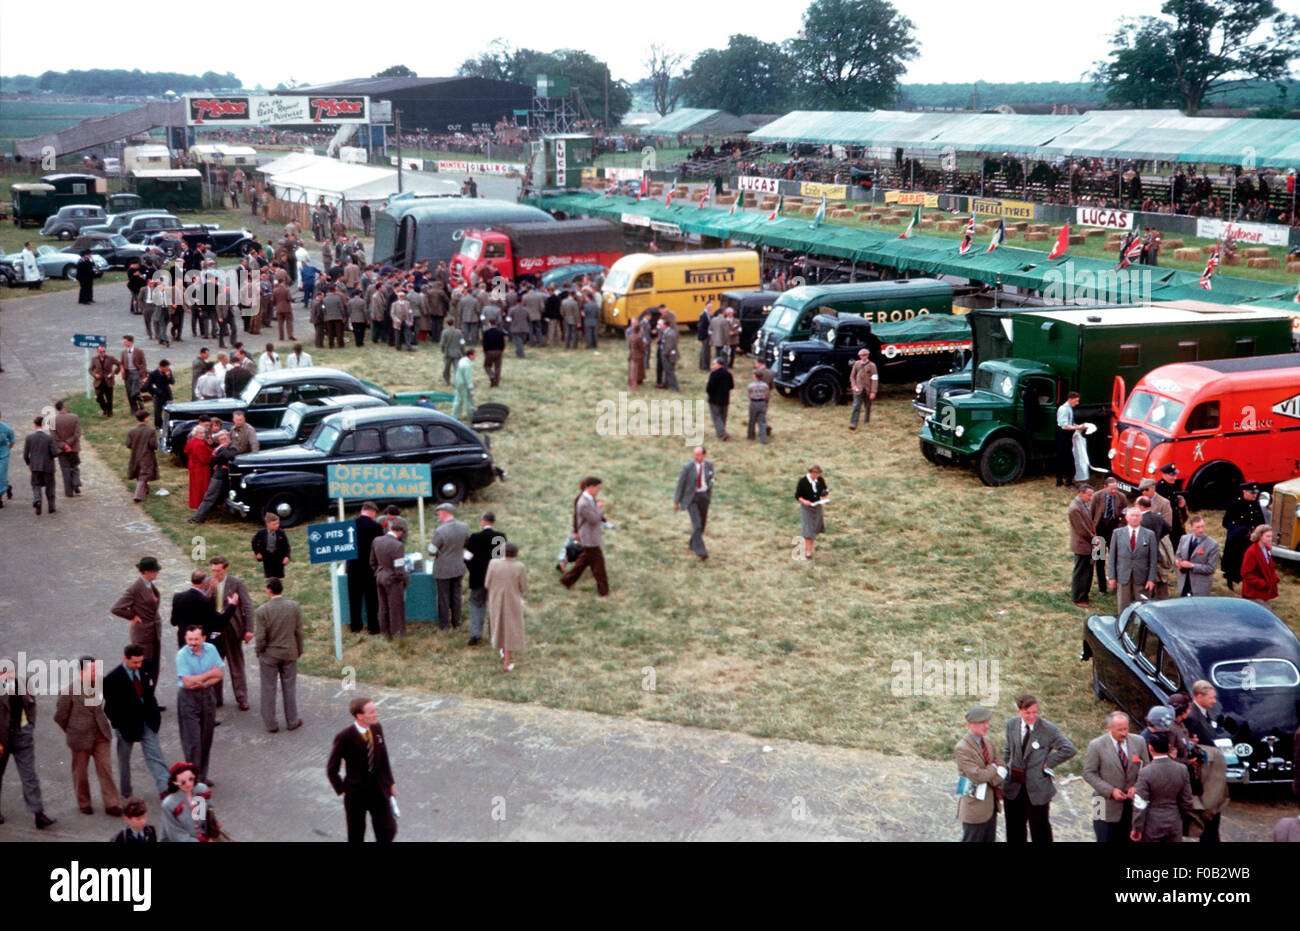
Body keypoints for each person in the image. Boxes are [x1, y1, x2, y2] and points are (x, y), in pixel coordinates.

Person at [1000, 694, 1077, 843]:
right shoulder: (1011, 724)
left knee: (1040, 830)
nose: (1032, 716)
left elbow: (1069, 749)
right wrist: (1005, 770)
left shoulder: (1047, 729)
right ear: (1019, 711)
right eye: (1027, 713)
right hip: (1014, 787)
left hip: (1037, 788)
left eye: (1035, 712)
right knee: (1014, 828)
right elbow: (1008, 749)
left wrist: (1047, 762)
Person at [54, 656, 122, 816]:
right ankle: (84, 803)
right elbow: (60, 716)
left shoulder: (101, 684)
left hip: (101, 734)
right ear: (82, 672)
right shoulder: (69, 691)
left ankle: (112, 803)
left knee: (105, 769)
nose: (95, 672)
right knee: (81, 771)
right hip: (80, 737)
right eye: (92, 670)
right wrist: (73, 730)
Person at [103, 644, 169, 800]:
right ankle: (126, 792)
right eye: (135, 663)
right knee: (124, 760)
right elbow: (110, 709)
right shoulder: (112, 679)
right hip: (126, 726)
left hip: (147, 720)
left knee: (155, 755)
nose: (139, 665)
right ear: (125, 659)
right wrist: (118, 725)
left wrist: (155, 717)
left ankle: (164, 788)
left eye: (140, 661)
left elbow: (149, 693)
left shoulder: (145, 666)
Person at [327, 697, 397, 843]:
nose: (376, 714)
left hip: (378, 790)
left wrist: (390, 782)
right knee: (356, 834)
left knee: (388, 830)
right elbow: (332, 768)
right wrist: (342, 789)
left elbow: (383, 757)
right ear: (359, 716)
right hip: (356, 794)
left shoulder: (377, 728)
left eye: (375, 710)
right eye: (371, 712)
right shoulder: (344, 737)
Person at [0, 659, 56, 828]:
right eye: (8, 673)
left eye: (14, 672)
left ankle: (39, 814)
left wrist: (30, 725)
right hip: (1, 738)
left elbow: (31, 704)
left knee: (29, 775)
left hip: (22, 734)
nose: (12, 676)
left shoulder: (22, 683)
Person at [1082, 711, 1150, 842]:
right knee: (1102, 838)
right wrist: (1110, 791)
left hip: (1130, 804)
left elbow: (1147, 768)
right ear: (1109, 728)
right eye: (1120, 730)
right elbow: (1088, 773)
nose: (1124, 733)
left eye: (1126, 728)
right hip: (1100, 803)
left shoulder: (1139, 741)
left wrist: (1136, 786)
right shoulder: (1095, 745)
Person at [176, 625, 224, 786]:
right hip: (188, 699)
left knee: (206, 737)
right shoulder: (182, 655)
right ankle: (192, 778)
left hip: (207, 696)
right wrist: (209, 674)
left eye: (196, 639)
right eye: (189, 639)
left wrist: (200, 680)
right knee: (193, 741)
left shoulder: (211, 649)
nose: (193, 643)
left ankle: (202, 776)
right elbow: (187, 683)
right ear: (185, 639)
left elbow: (220, 674)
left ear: (203, 638)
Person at [254, 578, 303, 732]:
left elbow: (261, 637)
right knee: (289, 688)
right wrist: (299, 650)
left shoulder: (262, 611)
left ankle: (271, 724)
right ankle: (292, 721)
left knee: (268, 688)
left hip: (270, 654)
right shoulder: (294, 607)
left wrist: (259, 650)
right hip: (289, 653)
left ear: (269, 590)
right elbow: (299, 632)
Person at [206, 556, 253, 710]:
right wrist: (210, 591)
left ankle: (241, 698)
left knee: (236, 664)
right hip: (214, 630)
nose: (215, 574)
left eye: (218, 571)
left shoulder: (236, 583)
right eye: (213, 570)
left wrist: (249, 629)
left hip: (232, 629)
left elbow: (247, 605)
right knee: (215, 665)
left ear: (225, 569)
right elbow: (203, 604)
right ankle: (216, 698)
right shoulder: (208, 582)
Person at [1131, 731, 1194, 842]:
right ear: (1169, 746)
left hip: (1152, 824)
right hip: (1174, 821)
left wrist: (1137, 827)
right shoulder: (1182, 769)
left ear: (1150, 748)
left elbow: (1140, 804)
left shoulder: (1145, 772)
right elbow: (1187, 801)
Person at [954, 706, 1004, 842]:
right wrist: (993, 769)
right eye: (982, 722)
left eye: (987, 722)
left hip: (991, 806)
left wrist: (990, 774)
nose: (986, 726)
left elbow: (1002, 767)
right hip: (974, 808)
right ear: (971, 724)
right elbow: (977, 777)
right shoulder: (962, 748)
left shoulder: (987, 741)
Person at [111, 557, 164, 682]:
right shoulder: (135, 588)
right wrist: (133, 616)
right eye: (155, 570)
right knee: (142, 668)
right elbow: (116, 608)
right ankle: (141, 699)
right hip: (143, 635)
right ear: (146, 572)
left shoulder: (149, 585)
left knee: (153, 667)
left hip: (154, 633)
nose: (157, 572)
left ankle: (151, 699)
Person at [560, 476, 610, 596]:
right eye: (598, 488)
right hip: (589, 538)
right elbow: (593, 519)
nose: (599, 490)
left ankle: (566, 580)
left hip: (589, 536)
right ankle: (604, 591)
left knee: (584, 560)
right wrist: (599, 509)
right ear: (591, 487)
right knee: (599, 566)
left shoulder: (588, 499)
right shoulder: (583, 503)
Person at [466, 512, 506, 647]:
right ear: (493, 522)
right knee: (494, 605)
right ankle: (495, 633)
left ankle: (475, 633)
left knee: (477, 604)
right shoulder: (500, 537)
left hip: (478, 576)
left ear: (483, 521)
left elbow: (467, 558)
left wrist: (472, 569)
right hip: (496, 577)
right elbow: (501, 558)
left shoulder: (475, 537)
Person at [486, 542, 527, 672]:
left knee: (498, 624)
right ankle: (506, 663)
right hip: (512, 601)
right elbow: (524, 587)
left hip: (495, 600)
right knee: (510, 628)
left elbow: (487, 583)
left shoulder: (493, 563)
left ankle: (502, 650)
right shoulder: (519, 567)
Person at [1107, 507, 1157, 613]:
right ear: (1126, 517)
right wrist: (1111, 577)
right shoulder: (1117, 533)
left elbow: (1153, 559)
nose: (1134, 518)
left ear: (1141, 518)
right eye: (1132, 515)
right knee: (1123, 606)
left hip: (1142, 577)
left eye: (1137, 516)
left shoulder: (1150, 534)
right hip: (1123, 576)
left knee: (1142, 607)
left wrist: (1151, 579)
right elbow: (1112, 557)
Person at [430, 503, 470, 631]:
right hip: (459, 566)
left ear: (444, 513)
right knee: (456, 595)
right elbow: (467, 544)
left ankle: (444, 624)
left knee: (443, 597)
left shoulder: (440, 531)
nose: (438, 516)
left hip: (443, 569)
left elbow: (432, 550)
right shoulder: (464, 527)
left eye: (439, 513)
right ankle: (457, 621)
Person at [370, 516, 410, 640]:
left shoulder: (376, 540)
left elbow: (372, 561)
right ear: (401, 531)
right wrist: (404, 579)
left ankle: (385, 632)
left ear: (390, 527)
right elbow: (399, 569)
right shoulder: (398, 546)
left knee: (383, 607)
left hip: (380, 576)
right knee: (395, 608)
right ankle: (397, 634)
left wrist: (379, 571)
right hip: (392, 580)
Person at [347, 502, 384, 635]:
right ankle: (373, 626)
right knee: (372, 599)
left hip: (353, 568)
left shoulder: (349, 525)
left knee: (354, 599)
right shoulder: (376, 527)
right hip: (369, 568)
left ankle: (355, 626)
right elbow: (379, 548)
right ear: (373, 512)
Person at [158, 762, 219, 842]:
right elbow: (176, 835)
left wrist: (211, 835)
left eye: (191, 779)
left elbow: (209, 816)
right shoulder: (169, 804)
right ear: (175, 782)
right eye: (183, 782)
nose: (188, 784)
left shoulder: (201, 790)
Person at [673, 446, 714, 560]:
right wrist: (676, 501)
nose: (696, 457)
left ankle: (692, 543)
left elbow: (710, 479)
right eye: (694, 454)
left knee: (702, 525)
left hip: (704, 497)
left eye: (698, 454)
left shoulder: (709, 465)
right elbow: (680, 484)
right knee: (696, 524)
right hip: (692, 498)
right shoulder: (688, 467)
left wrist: (709, 494)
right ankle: (701, 551)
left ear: (704, 455)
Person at [1222, 482, 1265, 590]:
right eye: (1252, 493)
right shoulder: (1235, 504)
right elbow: (1226, 522)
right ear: (1244, 492)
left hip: (1252, 540)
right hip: (1237, 540)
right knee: (1235, 561)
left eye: (1256, 493)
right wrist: (1242, 530)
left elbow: (1261, 521)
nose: (1255, 495)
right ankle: (1231, 579)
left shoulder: (1256, 504)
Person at [188, 429, 236, 524]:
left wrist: (221, 451)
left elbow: (226, 456)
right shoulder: (219, 449)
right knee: (210, 497)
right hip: (219, 474)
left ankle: (198, 518)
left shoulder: (233, 448)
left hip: (222, 475)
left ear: (229, 438)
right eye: (221, 440)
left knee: (210, 497)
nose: (223, 441)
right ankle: (199, 517)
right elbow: (214, 459)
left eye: (225, 438)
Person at [1175, 515, 1219, 597]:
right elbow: (1178, 555)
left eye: (1202, 526)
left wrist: (1192, 566)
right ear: (1191, 527)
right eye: (1197, 527)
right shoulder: (1184, 539)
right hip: (1184, 583)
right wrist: (1178, 562)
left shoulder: (1213, 544)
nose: (1201, 530)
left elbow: (1211, 568)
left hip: (1200, 587)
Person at [1068, 484, 1097, 606]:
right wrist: (1094, 539)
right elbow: (1082, 529)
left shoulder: (1082, 505)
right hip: (1081, 545)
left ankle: (1084, 594)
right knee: (1081, 572)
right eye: (1089, 495)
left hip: (1087, 544)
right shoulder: (1074, 508)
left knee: (1088, 571)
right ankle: (1077, 598)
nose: (1091, 498)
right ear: (1081, 493)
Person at [23, 415, 57, 515]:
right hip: (48, 466)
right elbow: (55, 453)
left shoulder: (29, 438)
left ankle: (38, 500)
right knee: (50, 486)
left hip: (35, 466)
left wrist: (29, 463)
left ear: (35, 425)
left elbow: (25, 454)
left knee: (36, 484)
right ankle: (51, 506)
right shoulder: (49, 438)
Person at [1240, 524, 1279, 607]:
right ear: (1260, 536)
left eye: (1271, 536)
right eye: (1267, 536)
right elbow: (1246, 573)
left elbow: (1269, 567)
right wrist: (1263, 583)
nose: (1270, 539)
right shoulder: (1252, 552)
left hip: (1263, 593)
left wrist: (1274, 578)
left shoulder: (1266, 549)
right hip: (1253, 594)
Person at [795, 465, 829, 560]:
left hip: (817, 505)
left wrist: (824, 495)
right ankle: (808, 552)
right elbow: (798, 496)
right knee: (808, 527)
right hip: (807, 507)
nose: (816, 476)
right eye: (814, 474)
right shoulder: (803, 481)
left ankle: (810, 547)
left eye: (818, 474)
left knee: (815, 527)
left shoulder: (820, 480)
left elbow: (824, 490)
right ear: (810, 472)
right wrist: (804, 501)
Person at [51, 400, 82, 498]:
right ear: (64, 407)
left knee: (65, 469)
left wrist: (64, 445)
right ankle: (76, 482)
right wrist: (69, 443)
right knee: (75, 465)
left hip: (61, 449)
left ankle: (68, 491)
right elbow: (77, 433)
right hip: (73, 447)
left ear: (56, 409)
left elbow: (54, 437)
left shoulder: (52, 420)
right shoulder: (74, 417)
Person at [251, 512, 291, 579]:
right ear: (267, 524)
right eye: (274, 524)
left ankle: (277, 586)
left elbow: (286, 545)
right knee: (269, 575)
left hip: (278, 557)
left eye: (278, 523)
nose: (277, 525)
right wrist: (257, 553)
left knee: (279, 575)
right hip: (267, 557)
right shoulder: (261, 533)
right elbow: (253, 542)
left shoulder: (281, 533)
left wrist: (287, 556)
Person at [848, 348, 877, 430]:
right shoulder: (856, 364)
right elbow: (852, 376)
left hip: (868, 389)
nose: (863, 357)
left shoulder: (872, 365)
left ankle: (866, 420)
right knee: (856, 405)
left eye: (865, 355)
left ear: (867, 355)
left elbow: (875, 379)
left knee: (868, 406)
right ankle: (853, 423)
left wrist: (873, 391)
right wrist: (853, 386)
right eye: (861, 355)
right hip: (858, 390)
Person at [705, 357, 733, 439]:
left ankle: (722, 433)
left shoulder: (713, 374)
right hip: (725, 399)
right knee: (723, 416)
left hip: (714, 399)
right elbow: (731, 386)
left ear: (718, 364)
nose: (713, 365)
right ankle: (721, 431)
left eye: (714, 363)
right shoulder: (728, 374)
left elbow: (709, 387)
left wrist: (710, 393)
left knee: (716, 417)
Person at [90, 344, 121, 417]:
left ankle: (109, 413)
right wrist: (94, 375)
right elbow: (90, 370)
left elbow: (119, 364)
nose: (102, 353)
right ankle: (105, 408)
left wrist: (114, 372)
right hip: (98, 381)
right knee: (99, 396)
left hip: (108, 381)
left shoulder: (110, 358)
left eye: (103, 351)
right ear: (97, 351)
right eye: (100, 351)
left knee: (109, 398)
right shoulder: (94, 359)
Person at [120, 335, 147, 415]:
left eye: (125, 341)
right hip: (127, 373)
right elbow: (121, 363)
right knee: (129, 392)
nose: (124, 343)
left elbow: (143, 363)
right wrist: (122, 369)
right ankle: (133, 409)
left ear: (130, 341)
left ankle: (141, 405)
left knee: (134, 392)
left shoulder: (139, 351)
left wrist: (142, 375)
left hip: (136, 372)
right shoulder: (123, 352)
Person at [144, 360, 174, 430]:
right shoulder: (153, 374)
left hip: (167, 394)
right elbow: (147, 385)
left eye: (168, 367)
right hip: (158, 395)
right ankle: (158, 425)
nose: (167, 369)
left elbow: (172, 382)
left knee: (170, 411)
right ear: (161, 367)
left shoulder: (168, 371)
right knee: (158, 412)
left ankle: (168, 425)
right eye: (166, 367)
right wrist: (153, 393)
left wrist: (168, 376)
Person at [746, 367, 771, 443]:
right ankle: (763, 438)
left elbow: (749, 395)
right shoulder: (765, 385)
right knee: (762, 421)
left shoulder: (750, 385)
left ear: (755, 376)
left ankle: (751, 435)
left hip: (753, 403)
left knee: (752, 420)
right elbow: (767, 395)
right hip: (762, 403)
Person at [451, 348, 476, 420]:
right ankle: (471, 417)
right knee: (468, 401)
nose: (475, 357)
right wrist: (471, 390)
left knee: (458, 400)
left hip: (458, 383)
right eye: (474, 355)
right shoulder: (467, 365)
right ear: (470, 355)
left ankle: (454, 416)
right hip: (464, 385)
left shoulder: (462, 360)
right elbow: (468, 379)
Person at [626, 317, 646, 390]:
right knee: (635, 370)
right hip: (637, 355)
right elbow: (641, 347)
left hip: (632, 354)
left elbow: (629, 345)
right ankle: (634, 385)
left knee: (632, 369)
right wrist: (644, 348)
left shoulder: (632, 336)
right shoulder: (638, 337)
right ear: (639, 330)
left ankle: (632, 382)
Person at [0, 408, 13, 508]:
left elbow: (12, 441)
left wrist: (7, 449)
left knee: (1, 473)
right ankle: (7, 487)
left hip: (3, 452)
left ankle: (0, 496)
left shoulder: (6, 429)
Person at [697, 301, 713, 371]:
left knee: (706, 351)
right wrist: (706, 334)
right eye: (709, 306)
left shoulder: (708, 314)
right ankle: (704, 366)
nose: (710, 308)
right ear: (706, 306)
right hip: (705, 336)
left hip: (707, 335)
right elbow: (701, 326)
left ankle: (705, 365)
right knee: (705, 351)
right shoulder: (703, 315)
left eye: (711, 306)